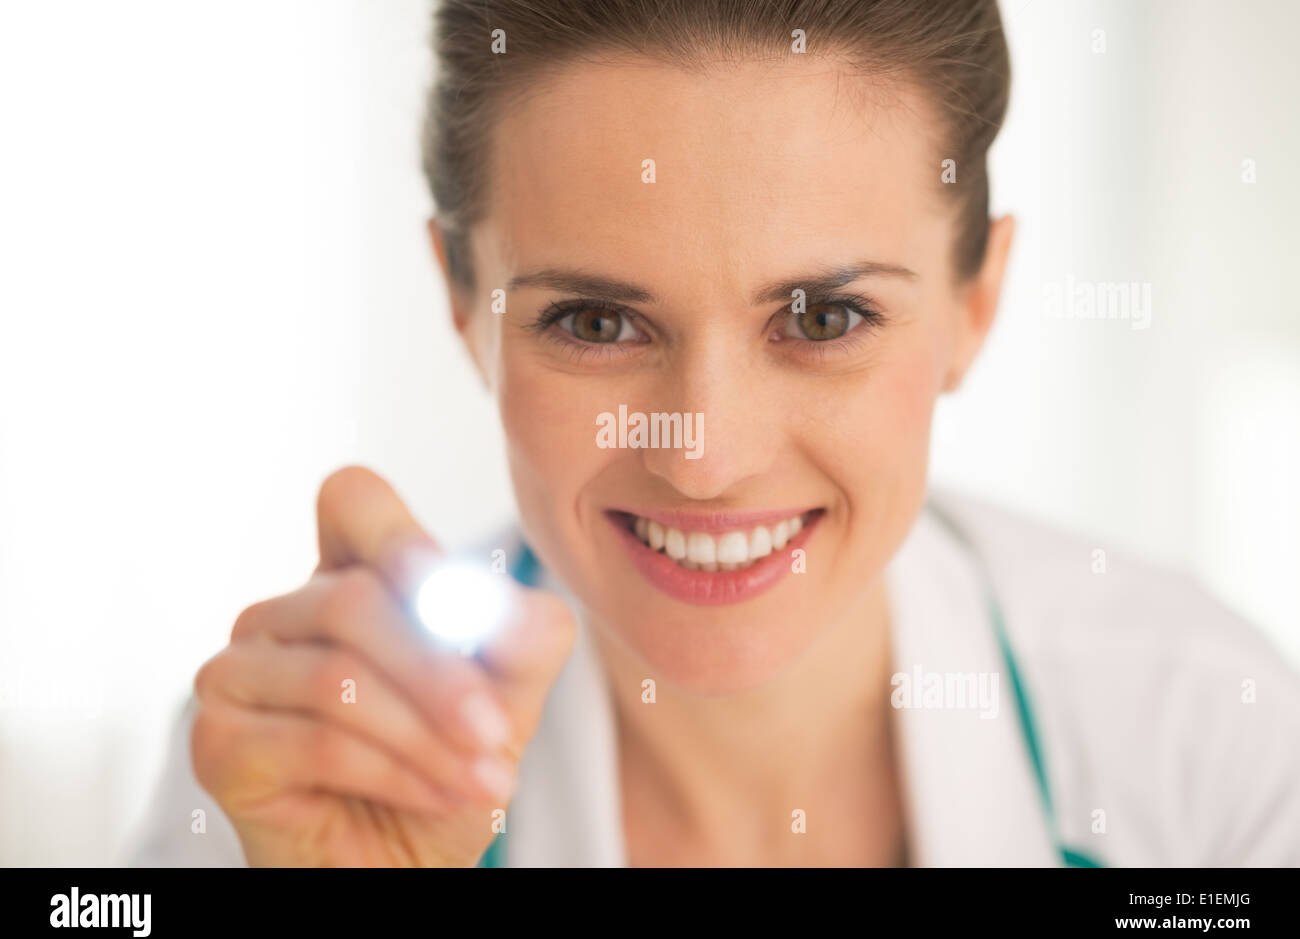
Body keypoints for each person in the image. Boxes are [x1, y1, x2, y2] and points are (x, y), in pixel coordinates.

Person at [127, 0, 1300, 867]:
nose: (705, 455)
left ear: (974, 304)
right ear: (458, 300)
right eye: (594, 321)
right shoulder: (298, 767)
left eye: (825, 317)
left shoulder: (1207, 741)